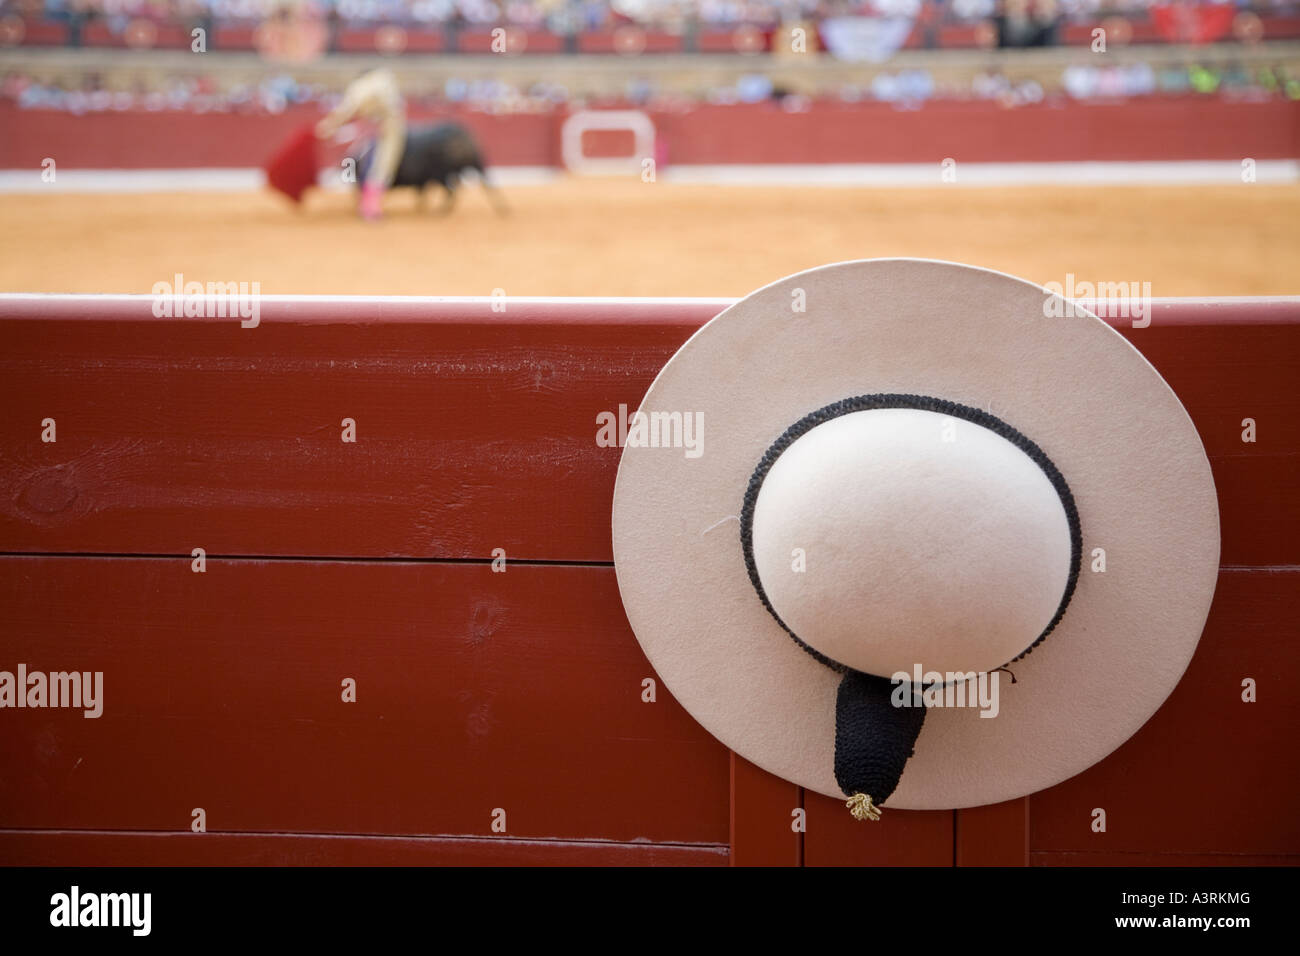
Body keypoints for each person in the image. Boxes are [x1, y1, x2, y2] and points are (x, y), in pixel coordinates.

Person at [316, 68, 406, 221]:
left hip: (383, 127)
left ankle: (368, 206)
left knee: (374, 166)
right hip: (388, 127)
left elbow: (346, 111)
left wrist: (327, 128)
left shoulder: (360, 88)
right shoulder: (384, 81)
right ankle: (371, 206)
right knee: (381, 168)